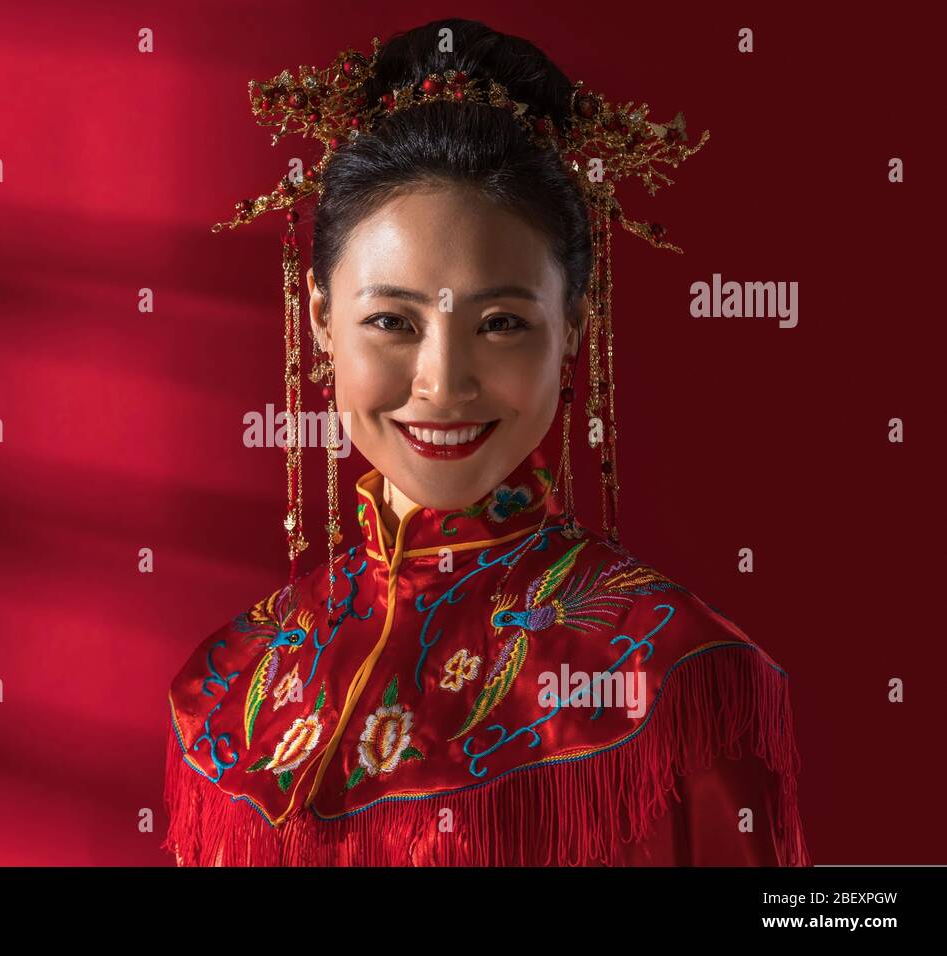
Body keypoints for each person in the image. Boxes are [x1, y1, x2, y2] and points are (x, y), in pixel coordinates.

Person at [162, 18, 810, 866]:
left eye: (500, 323)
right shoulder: (227, 688)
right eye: (391, 321)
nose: (444, 381)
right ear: (320, 319)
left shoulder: (682, 680)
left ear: (573, 326)